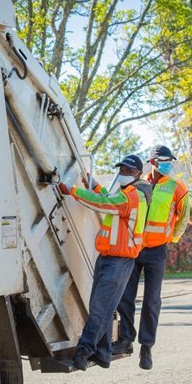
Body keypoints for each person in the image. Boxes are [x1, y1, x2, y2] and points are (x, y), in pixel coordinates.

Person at [58, 154, 151, 371]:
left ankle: (85, 349)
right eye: (121, 170)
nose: (122, 174)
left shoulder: (135, 196)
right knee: (102, 307)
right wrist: (95, 185)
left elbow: (105, 204)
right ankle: (104, 353)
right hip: (108, 258)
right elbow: (109, 197)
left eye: (128, 171)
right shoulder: (127, 193)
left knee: (100, 307)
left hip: (120, 261)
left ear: (138, 174)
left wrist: (72, 191)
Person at [114, 145, 189, 370]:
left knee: (152, 299)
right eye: (165, 161)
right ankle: (126, 339)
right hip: (134, 247)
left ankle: (146, 346)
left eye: (170, 161)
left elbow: (183, 218)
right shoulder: (138, 184)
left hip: (157, 251)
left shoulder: (177, 188)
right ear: (153, 162)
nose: (169, 165)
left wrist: (170, 239)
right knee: (125, 296)